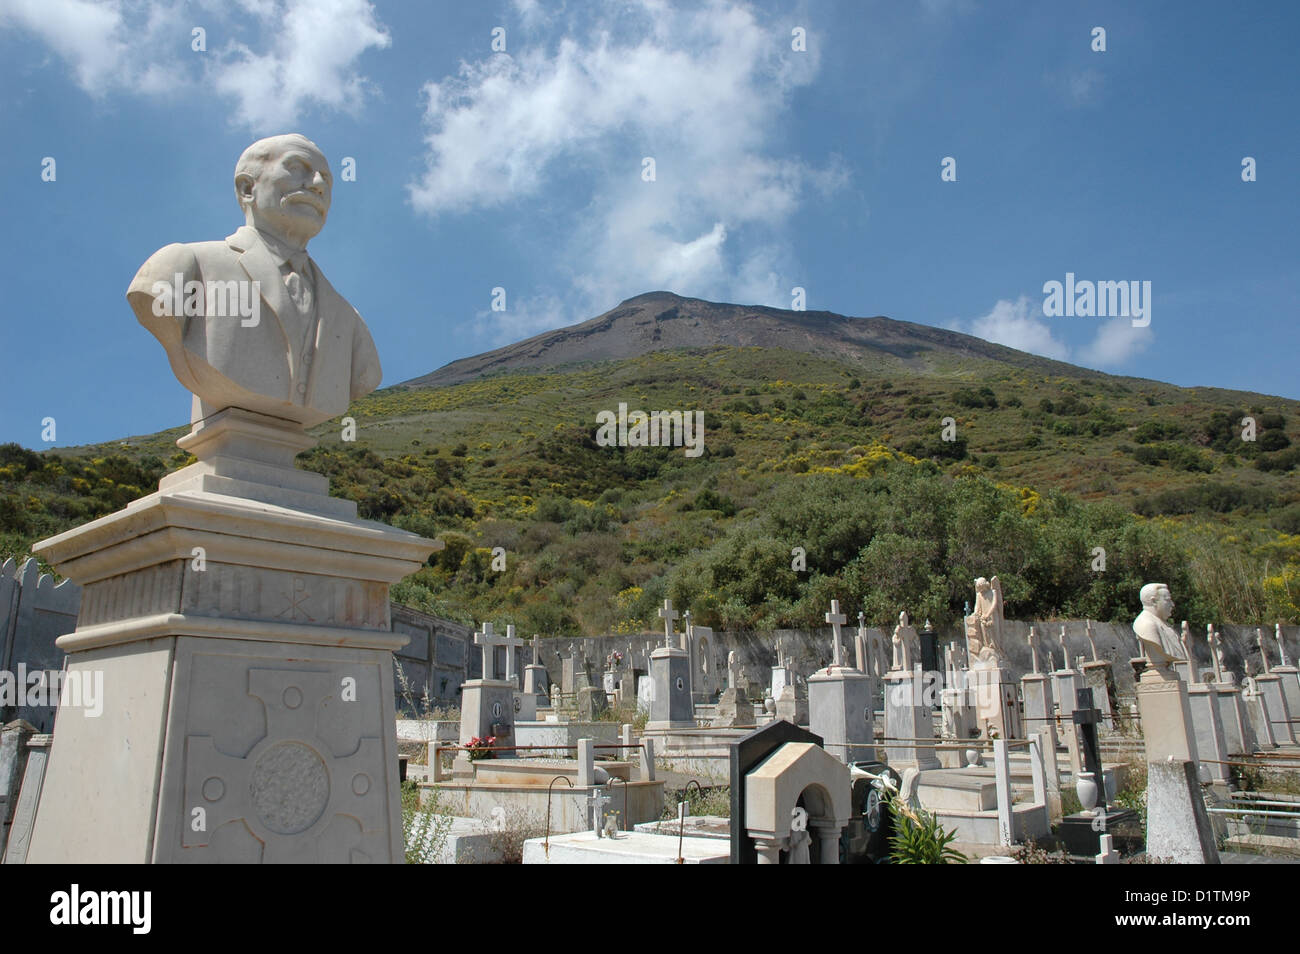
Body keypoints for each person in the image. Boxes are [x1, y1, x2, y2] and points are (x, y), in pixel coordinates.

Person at [127, 133, 381, 428]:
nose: (319, 185)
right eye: (298, 168)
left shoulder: (350, 322)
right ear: (248, 188)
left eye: (326, 179)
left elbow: (365, 377)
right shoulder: (184, 266)